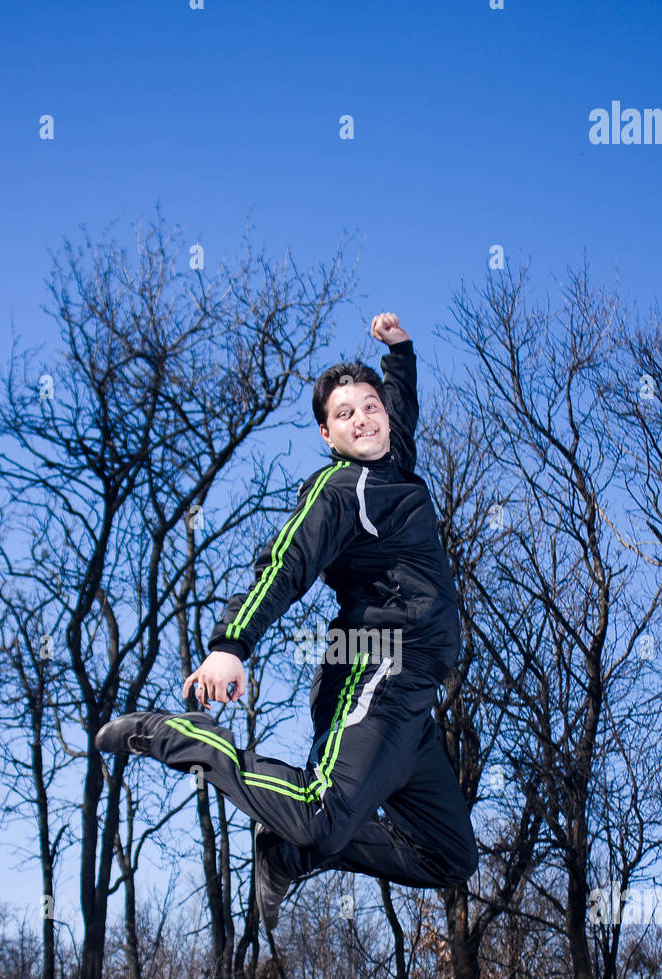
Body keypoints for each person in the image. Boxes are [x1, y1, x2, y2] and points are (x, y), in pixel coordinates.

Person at [96, 312, 479, 929]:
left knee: (449, 856)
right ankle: (174, 736)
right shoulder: (339, 491)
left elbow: (402, 406)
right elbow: (286, 565)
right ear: (330, 436)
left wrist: (400, 352)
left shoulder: (396, 467)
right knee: (323, 812)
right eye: (345, 415)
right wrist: (230, 644)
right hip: (374, 670)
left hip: (414, 703)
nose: (365, 418)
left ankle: (291, 848)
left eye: (370, 406)